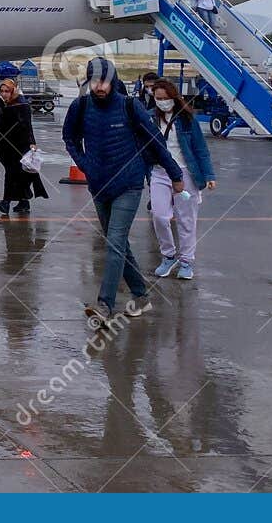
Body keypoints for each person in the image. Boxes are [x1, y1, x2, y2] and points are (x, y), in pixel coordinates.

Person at [63, 56, 186, 327]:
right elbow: (69, 137)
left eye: (105, 81)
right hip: (99, 185)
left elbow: (156, 143)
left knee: (114, 242)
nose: (100, 87)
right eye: (95, 81)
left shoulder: (130, 107)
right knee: (118, 243)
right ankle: (141, 296)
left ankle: (105, 304)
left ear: (114, 80)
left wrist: (175, 174)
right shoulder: (80, 107)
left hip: (129, 185)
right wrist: (84, 164)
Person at [147, 77, 217, 281]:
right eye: (157, 98)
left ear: (173, 97)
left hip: (186, 174)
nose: (161, 101)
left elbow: (200, 149)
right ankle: (168, 255)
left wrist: (209, 175)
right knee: (159, 216)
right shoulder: (150, 118)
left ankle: (186, 260)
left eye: (165, 98)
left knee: (187, 220)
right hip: (160, 173)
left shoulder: (186, 119)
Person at [0, 77, 47, 216]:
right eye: (2, 91)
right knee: (18, 174)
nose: (4, 94)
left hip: (19, 145)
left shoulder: (22, 105)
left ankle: (6, 202)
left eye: (7, 91)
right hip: (3, 145)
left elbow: (27, 125)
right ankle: (24, 202)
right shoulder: (1, 103)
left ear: (13, 91)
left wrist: (32, 142)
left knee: (11, 173)